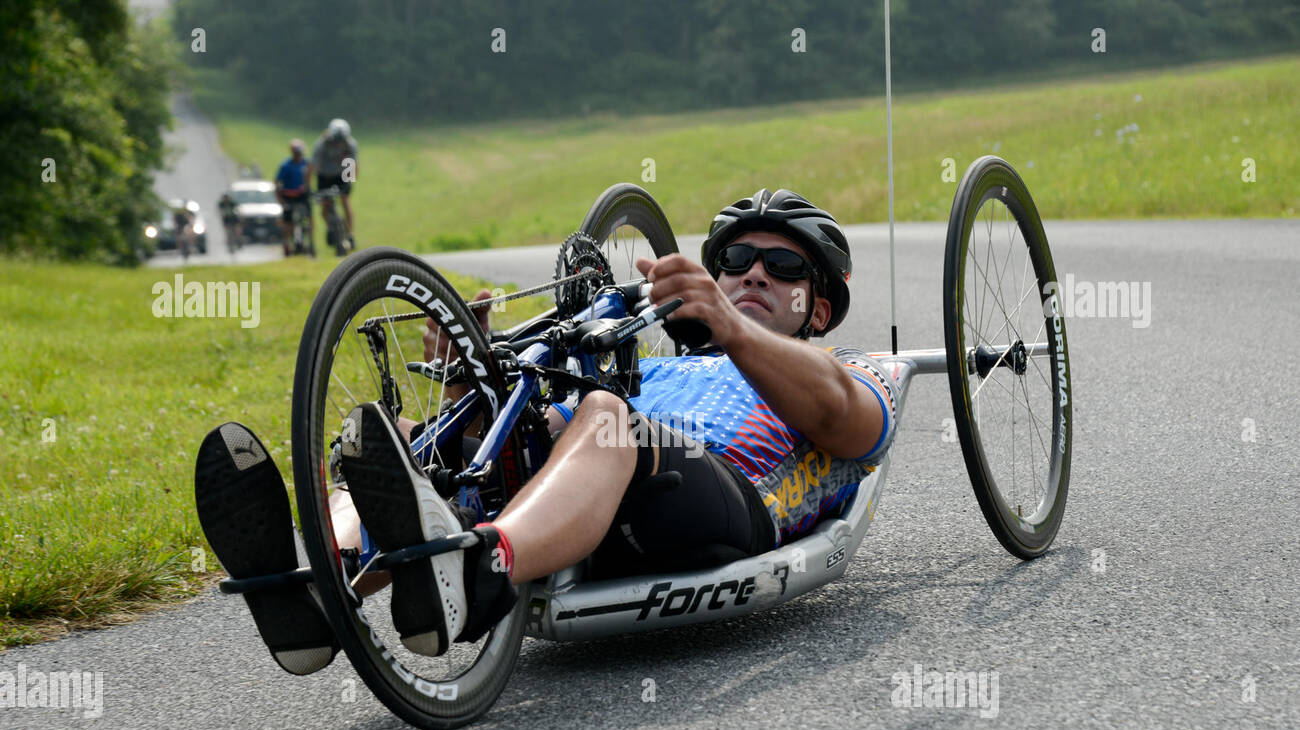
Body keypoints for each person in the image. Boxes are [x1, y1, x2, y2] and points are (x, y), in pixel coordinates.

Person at [194, 189, 897, 671]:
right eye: (735, 263)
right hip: (593, 486)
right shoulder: (651, 360)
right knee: (404, 436)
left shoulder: (845, 367)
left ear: (820, 305)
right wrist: (470, 382)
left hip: (720, 502)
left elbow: (846, 421)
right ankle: (317, 588)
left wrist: (729, 322)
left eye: (781, 267)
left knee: (604, 414)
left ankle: (481, 566)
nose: (752, 276)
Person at [308, 118, 358, 251]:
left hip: (341, 176)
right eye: (336, 140)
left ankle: (350, 234)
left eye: (341, 140)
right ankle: (331, 227)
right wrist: (308, 186)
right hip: (324, 176)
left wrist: (349, 183)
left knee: (345, 201)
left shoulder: (350, 145)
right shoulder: (321, 145)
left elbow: (352, 166)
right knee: (325, 206)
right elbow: (312, 166)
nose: (338, 143)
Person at [274, 139, 311, 256]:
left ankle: (310, 242)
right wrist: (280, 199)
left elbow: (310, 177)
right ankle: (287, 244)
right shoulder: (286, 166)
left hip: (302, 195)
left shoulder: (306, 163)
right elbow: (277, 182)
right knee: (288, 222)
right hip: (288, 196)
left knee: (309, 217)